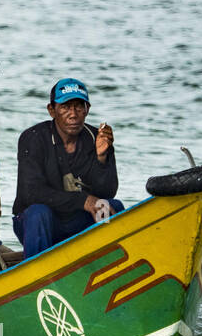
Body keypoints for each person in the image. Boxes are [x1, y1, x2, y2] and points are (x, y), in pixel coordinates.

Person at [13, 77, 123, 258]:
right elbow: (30, 193)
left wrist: (101, 157)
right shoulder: (33, 138)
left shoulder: (98, 137)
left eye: (79, 106)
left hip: (77, 222)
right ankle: (37, 278)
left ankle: (112, 268)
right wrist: (84, 201)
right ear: (52, 110)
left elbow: (107, 191)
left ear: (87, 110)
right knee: (39, 212)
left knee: (112, 206)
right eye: (65, 107)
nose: (73, 114)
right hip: (36, 223)